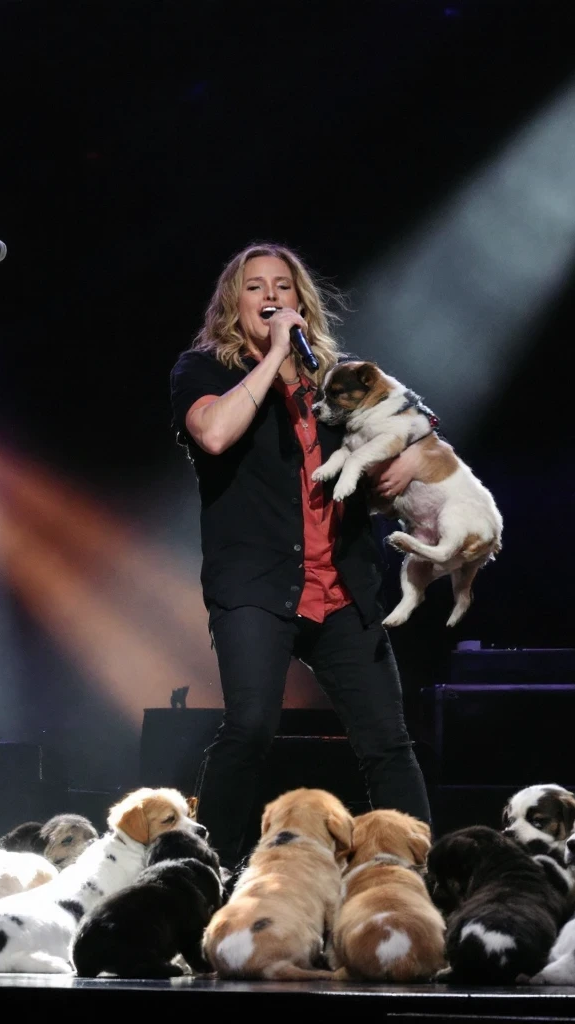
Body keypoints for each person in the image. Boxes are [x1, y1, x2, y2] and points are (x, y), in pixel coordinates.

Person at [169, 242, 432, 869]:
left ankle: (418, 877)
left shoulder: (340, 379)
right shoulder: (204, 370)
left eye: (282, 286)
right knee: (250, 727)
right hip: (257, 581)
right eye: (255, 287)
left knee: (387, 743)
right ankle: (202, 875)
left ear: (300, 299)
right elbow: (214, 433)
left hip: (343, 582)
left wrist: (416, 457)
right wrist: (276, 359)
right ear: (235, 303)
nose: (270, 297)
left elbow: (420, 428)